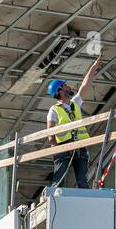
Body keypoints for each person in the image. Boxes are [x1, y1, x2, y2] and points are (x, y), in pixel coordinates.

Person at [45, 56, 102, 189]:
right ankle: (54, 199)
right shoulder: (54, 110)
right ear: (59, 91)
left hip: (80, 146)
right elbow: (50, 134)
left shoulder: (75, 103)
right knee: (59, 179)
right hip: (64, 148)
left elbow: (85, 84)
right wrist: (56, 148)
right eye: (64, 86)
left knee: (82, 180)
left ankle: (87, 202)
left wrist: (93, 67)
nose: (68, 87)